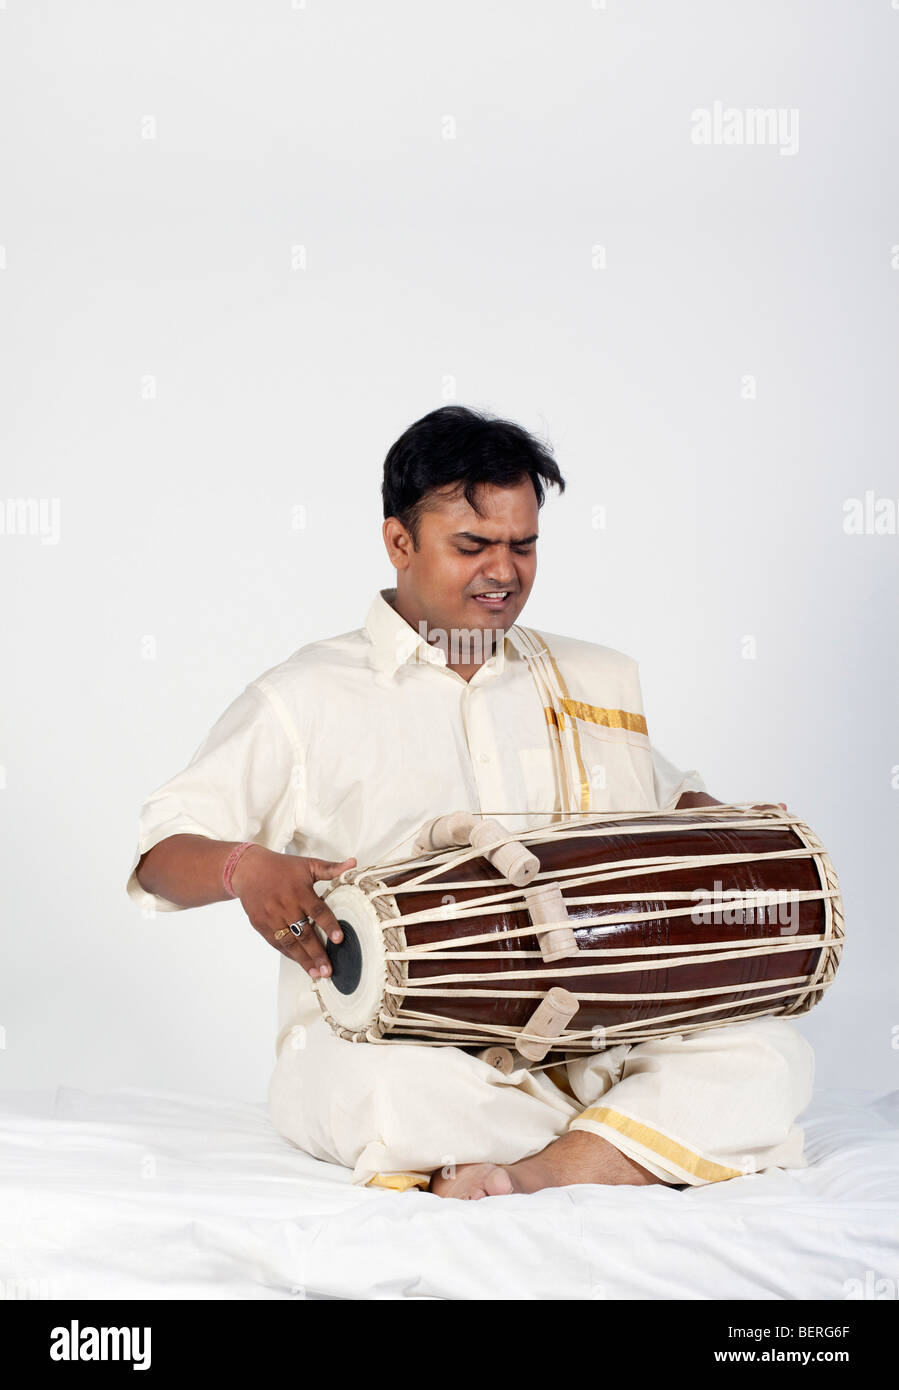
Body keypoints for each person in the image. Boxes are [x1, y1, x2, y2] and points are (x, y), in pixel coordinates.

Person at [126, 404, 814, 1199]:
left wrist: (737, 850)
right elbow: (161, 854)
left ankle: (537, 1171)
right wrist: (244, 867)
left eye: (522, 546)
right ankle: (627, 1145)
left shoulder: (584, 683)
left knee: (768, 1057)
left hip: (597, 1038)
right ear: (399, 542)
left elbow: (675, 805)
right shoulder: (304, 697)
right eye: (473, 546)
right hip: (400, 1045)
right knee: (389, 1096)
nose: (504, 571)